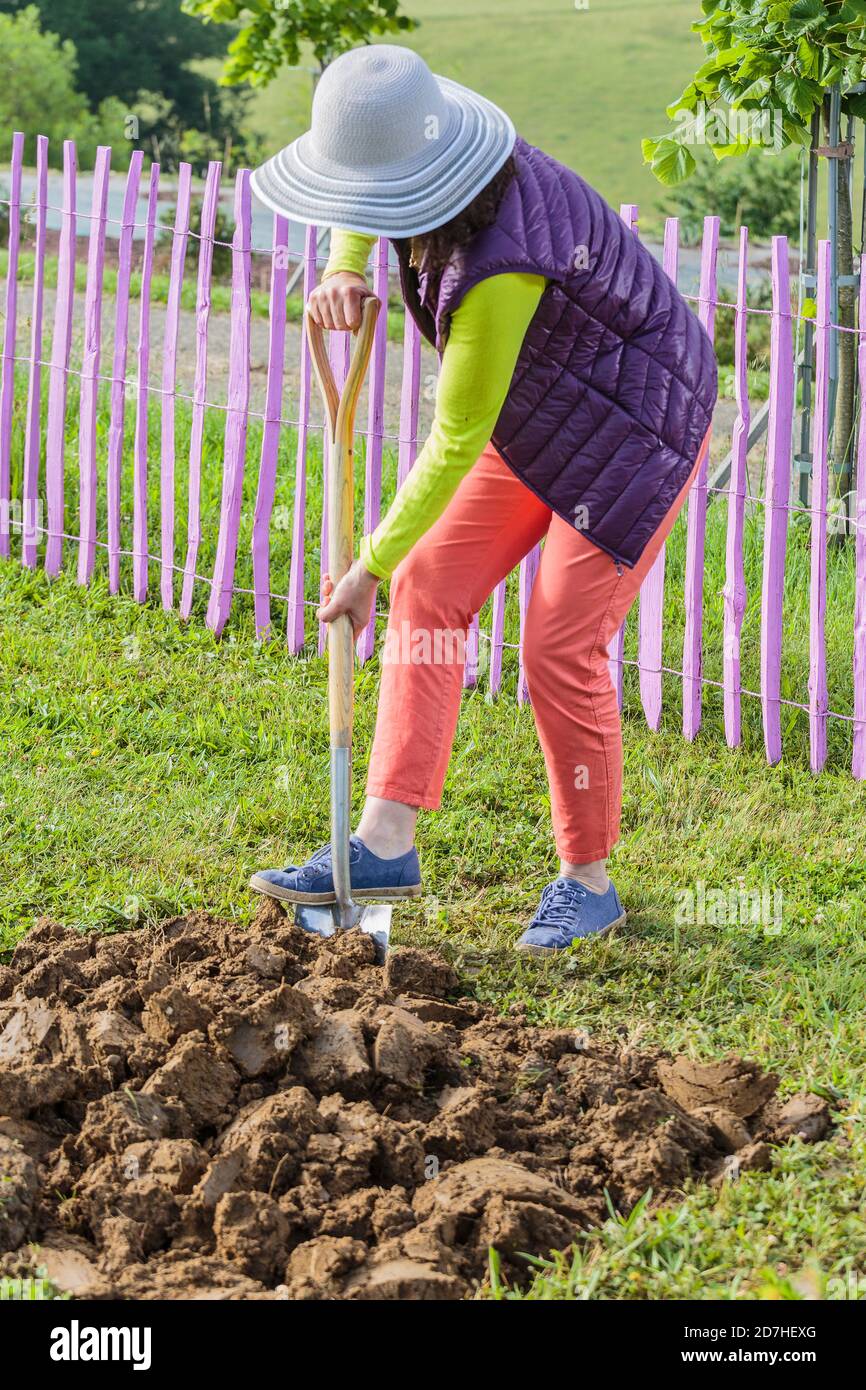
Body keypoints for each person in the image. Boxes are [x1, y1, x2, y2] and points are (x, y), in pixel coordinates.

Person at [248, 45, 717, 954]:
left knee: (557, 646)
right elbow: (367, 186)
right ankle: (384, 842)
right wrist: (347, 262)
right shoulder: (431, 150)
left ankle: (589, 881)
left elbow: (457, 436)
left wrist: (365, 566)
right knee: (432, 582)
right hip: (544, 407)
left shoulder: (499, 267)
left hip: (632, 436)